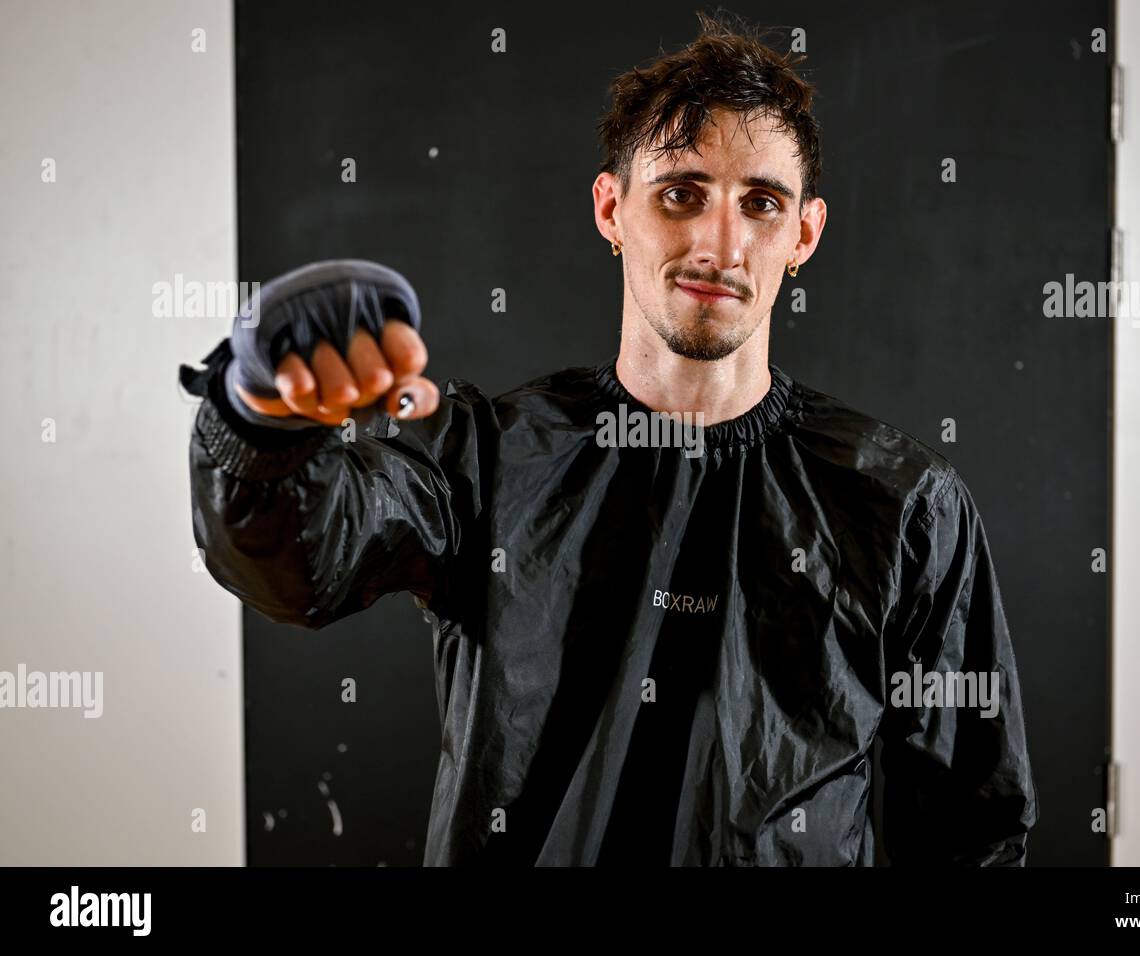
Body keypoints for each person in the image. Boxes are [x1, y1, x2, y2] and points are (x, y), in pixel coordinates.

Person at [181, 12, 1037, 866]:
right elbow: (301, 561)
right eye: (681, 193)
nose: (720, 243)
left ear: (803, 234)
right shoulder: (487, 457)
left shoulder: (903, 504)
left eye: (761, 203)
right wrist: (258, 415)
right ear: (611, 208)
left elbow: (973, 832)